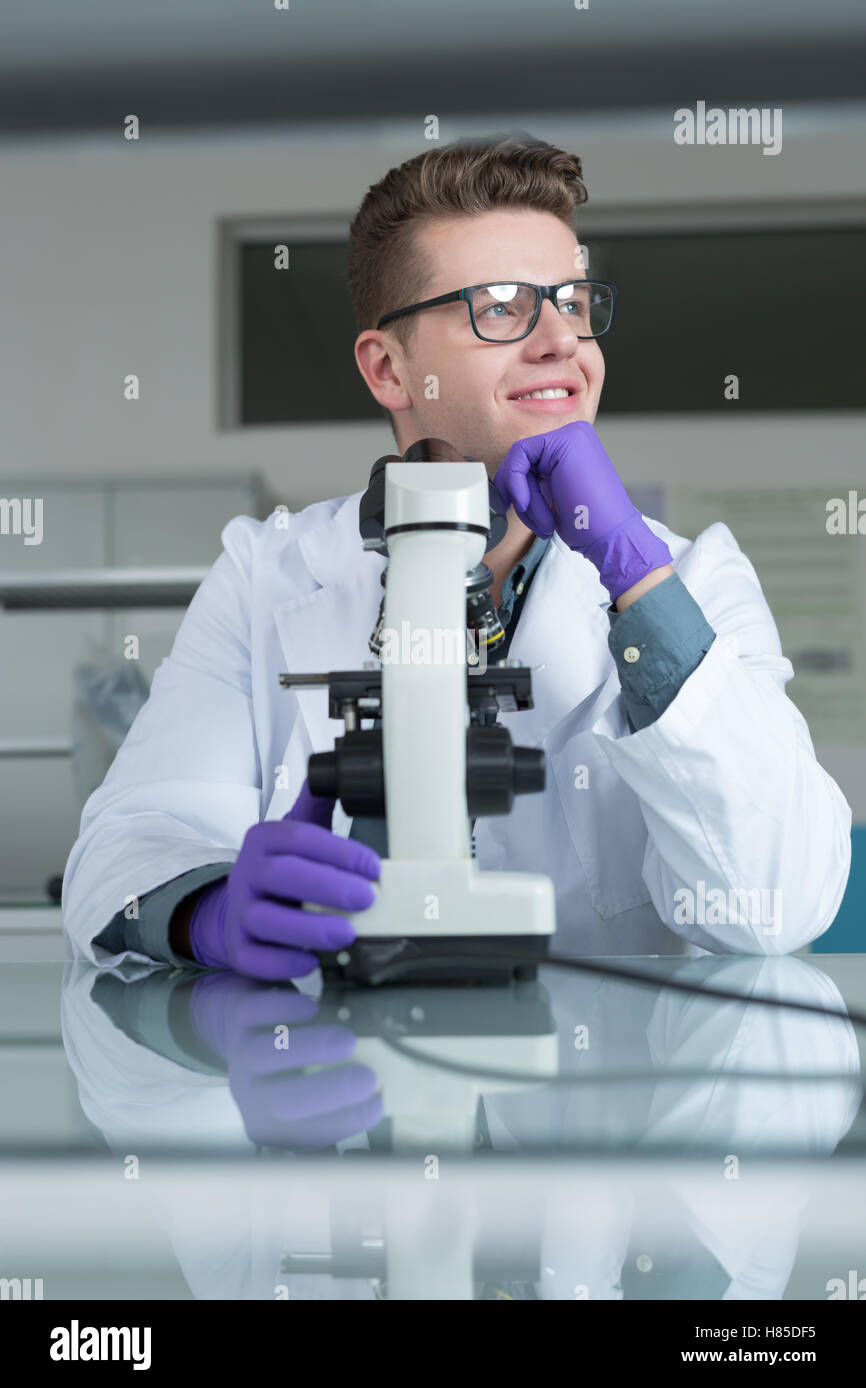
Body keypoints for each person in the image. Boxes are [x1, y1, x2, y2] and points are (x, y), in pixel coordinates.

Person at [62, 135, 851, 979]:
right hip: (345, 1088)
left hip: (608, 1101)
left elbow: (775, 902)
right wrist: (208, 909)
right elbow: (126, 847)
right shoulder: (266, 576)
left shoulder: (690, 581)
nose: (561, 342)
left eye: (573, 303)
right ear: (388, 369)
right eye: (502, 307)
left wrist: (632, 572)